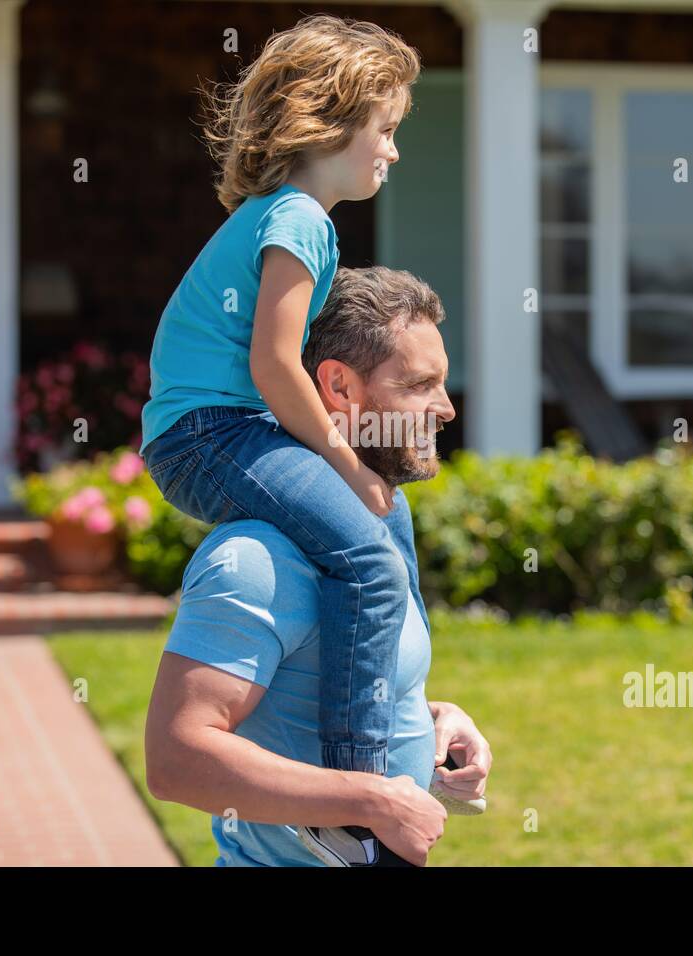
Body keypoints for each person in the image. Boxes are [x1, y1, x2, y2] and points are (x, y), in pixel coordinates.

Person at [138, 15, 427, 863]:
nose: (394, 151)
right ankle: (351, 802)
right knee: (369, 560)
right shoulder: (301, 217)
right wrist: (344, 463)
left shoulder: (290, 214)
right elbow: (272, 365)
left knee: (391, 525)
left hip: (224, 428)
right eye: (388, 128)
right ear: (333, 122)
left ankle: (407, 716)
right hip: (212, 434)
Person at [144, 266, 491, 866]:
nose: (446, 408)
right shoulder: (256, 560)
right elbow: (177, 759)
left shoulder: (376, 527)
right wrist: (370, 799)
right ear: (339, 387)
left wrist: (432, 719)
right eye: (419, 384)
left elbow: (323, 693)